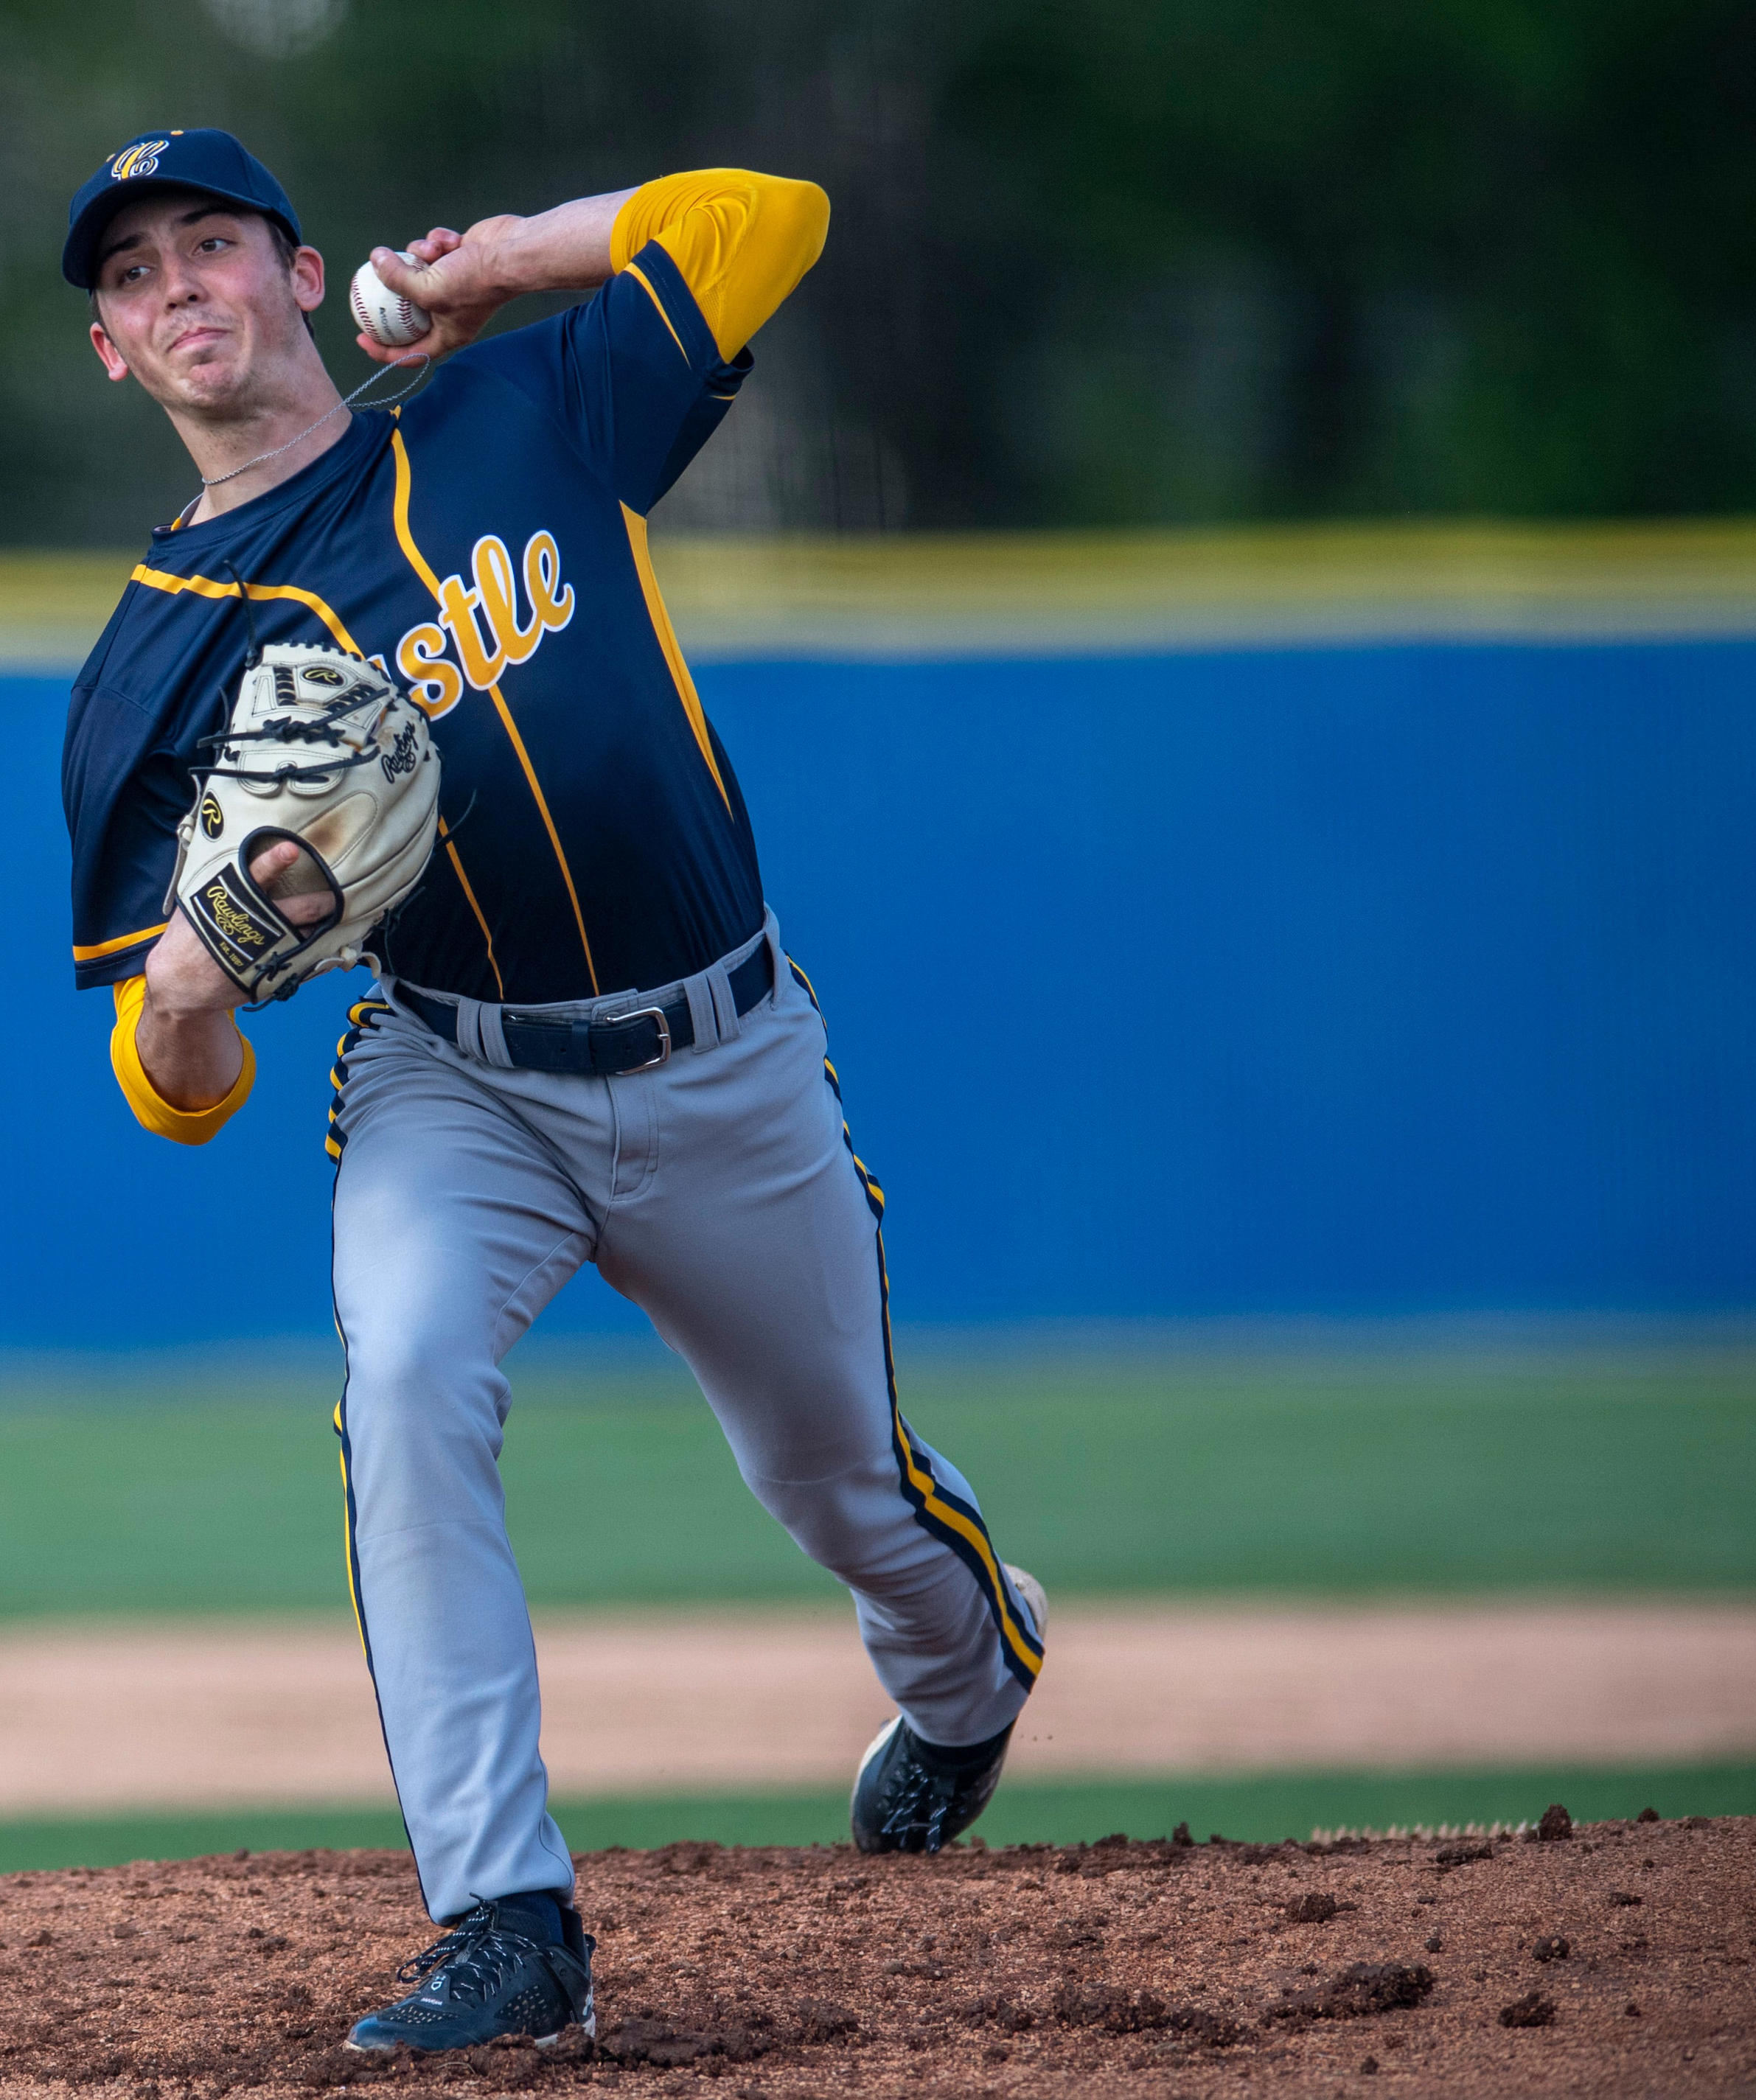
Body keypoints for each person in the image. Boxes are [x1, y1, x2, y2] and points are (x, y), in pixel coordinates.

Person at [56, 128, 1048, 2056]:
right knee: (409, 1375)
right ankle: (505, 1918)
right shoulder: (147, 672)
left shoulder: (526, 402)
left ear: (293, 268)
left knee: (837, 1480)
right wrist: (195, 985)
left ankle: (962, 1676)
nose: (176, 287)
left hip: (726, 1049)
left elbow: (768, 221)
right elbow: (167, 1085)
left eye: (208, 245)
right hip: (455, 1076)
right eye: (130, 274)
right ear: (110, 347)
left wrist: (513, 258)